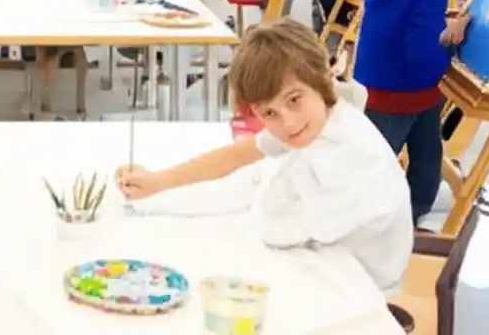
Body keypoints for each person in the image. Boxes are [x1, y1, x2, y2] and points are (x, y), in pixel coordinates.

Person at [117, 20, 412, 292]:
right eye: (268, 113)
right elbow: (239, 155)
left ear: (322, 79)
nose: (288, 123)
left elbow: (271, 231)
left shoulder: (351, 158)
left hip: (361, 291)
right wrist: (159, 180)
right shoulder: (322, 119)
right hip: (325, 265)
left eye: (294, 100)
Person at [355, 0, 476, 229]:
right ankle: (375, 222)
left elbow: (400, 20)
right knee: (378, 162)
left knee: (426, 158)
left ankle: (407, 218)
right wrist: (450, 41)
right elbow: (421, 55)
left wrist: (439, 23)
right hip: (402, 89)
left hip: (383, 82)